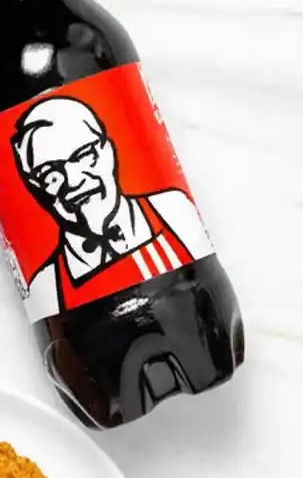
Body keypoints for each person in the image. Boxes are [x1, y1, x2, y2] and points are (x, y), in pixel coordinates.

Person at [11, 97, 213, 318]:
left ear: (109, 151)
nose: (74, 181)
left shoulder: (171, 210)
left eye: (85, 155)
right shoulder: (47, 285)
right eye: (50, 174)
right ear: (36, 188)